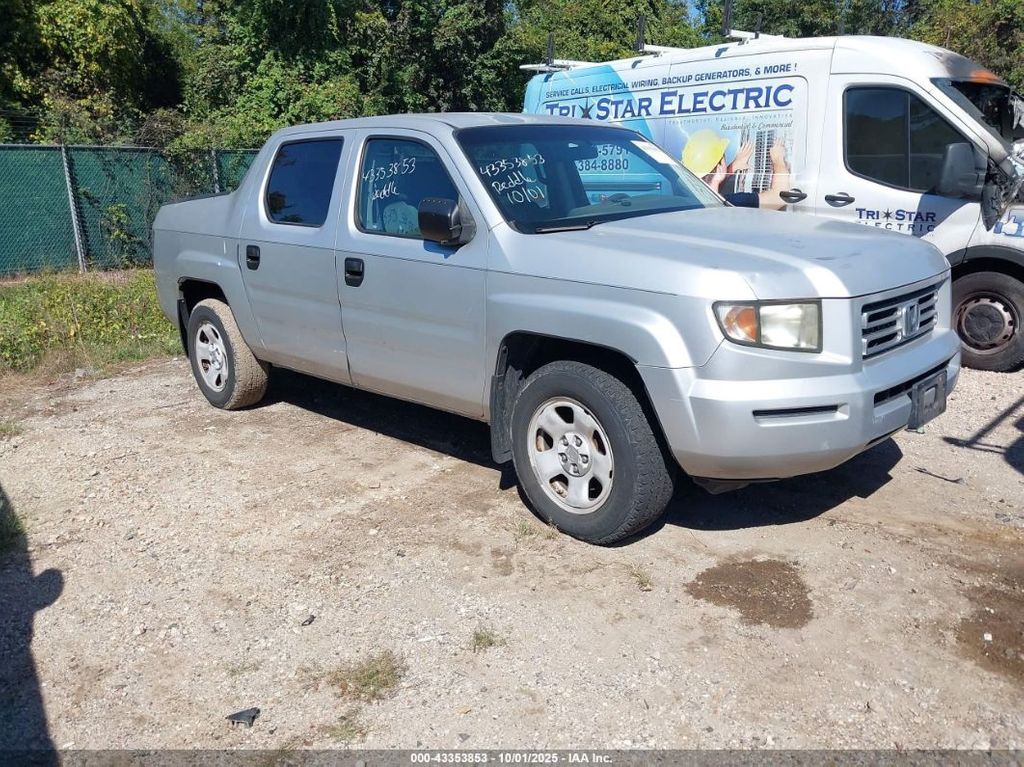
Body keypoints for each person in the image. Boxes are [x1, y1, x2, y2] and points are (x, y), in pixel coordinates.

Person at [681, 129, 791, 210]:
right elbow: (779, 197)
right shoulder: (734, 203)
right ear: (719, 170)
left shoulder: (683, 203)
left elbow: (710, 180)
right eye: (724, 157)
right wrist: (778, 160)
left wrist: (732, 167)